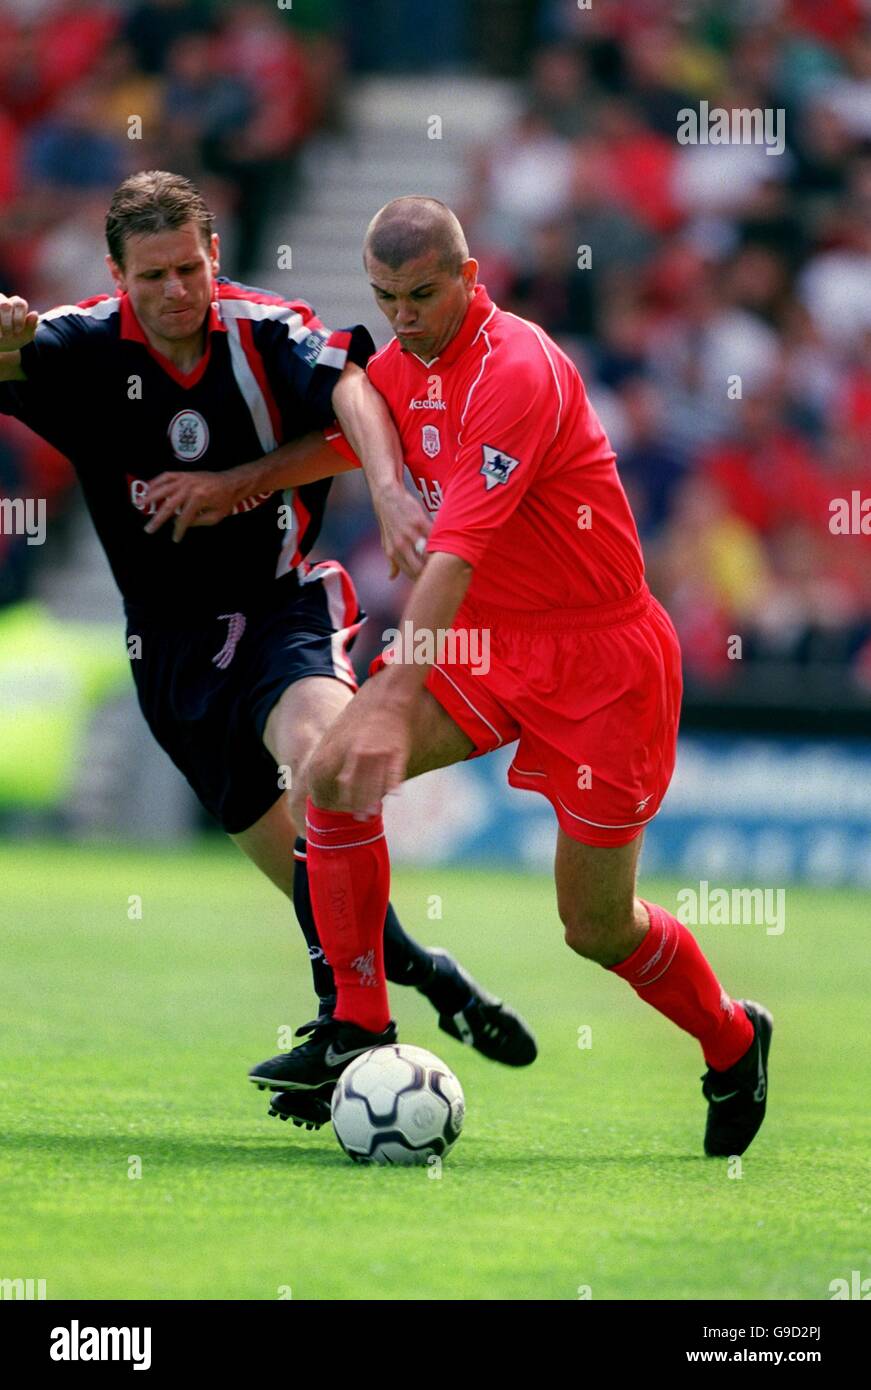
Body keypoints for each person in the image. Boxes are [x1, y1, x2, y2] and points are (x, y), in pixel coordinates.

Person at [0, 173, 537, 1131]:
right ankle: (427, 979)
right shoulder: (78, 345)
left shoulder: (261, 330)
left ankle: (347, 1031)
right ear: (117, 277)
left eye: (191, 267)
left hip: (279, 610)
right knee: (310, 884)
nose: (178, 291)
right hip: (169, 654)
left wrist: (377, 487)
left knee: (323, 762)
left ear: (216, 256)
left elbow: (354, 395)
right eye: (154, 275)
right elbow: (11, 360)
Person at [246, 196, 772, 1158]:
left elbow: (452, 555)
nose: (402, 315)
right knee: (333, 776)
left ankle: (733, 1040)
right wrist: (230, 484)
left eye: (421, 293)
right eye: (384, 298)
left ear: (470, 276)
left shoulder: (517, 367)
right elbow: (347, 442)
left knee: (594, 925)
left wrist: (393, 695)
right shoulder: (406, 368)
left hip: (600, 659)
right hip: (490, 642)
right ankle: (357, 1026)